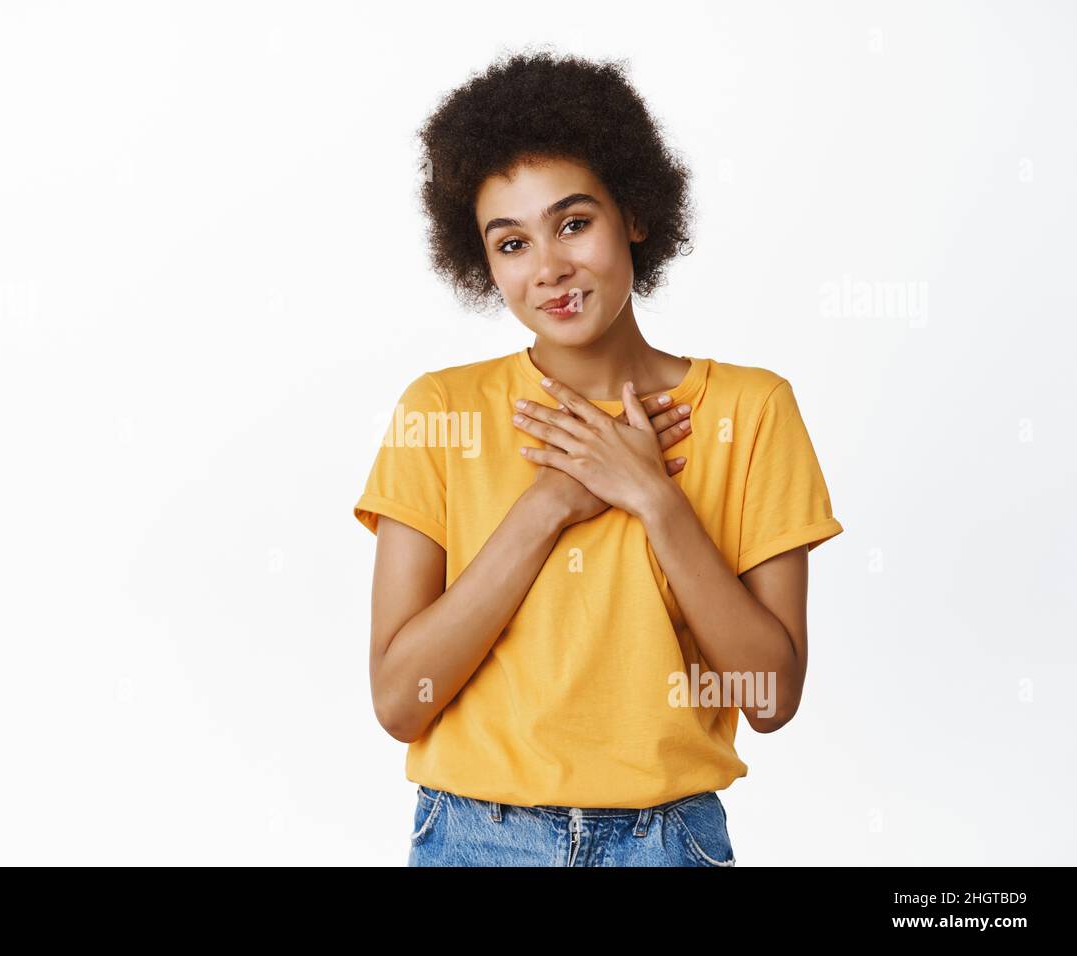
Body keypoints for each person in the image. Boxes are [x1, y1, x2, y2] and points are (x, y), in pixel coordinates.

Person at [352, 49, 843, 866]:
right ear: (482, 261)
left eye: (573, 223)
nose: (549, 269)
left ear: (636, 214)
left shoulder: (752, 412)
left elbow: (771, 696)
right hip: (476, 839)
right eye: (511, 243)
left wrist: (654, 497)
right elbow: (402, 702)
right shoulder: (440, 411)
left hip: (668, 841)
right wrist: (546, 506)